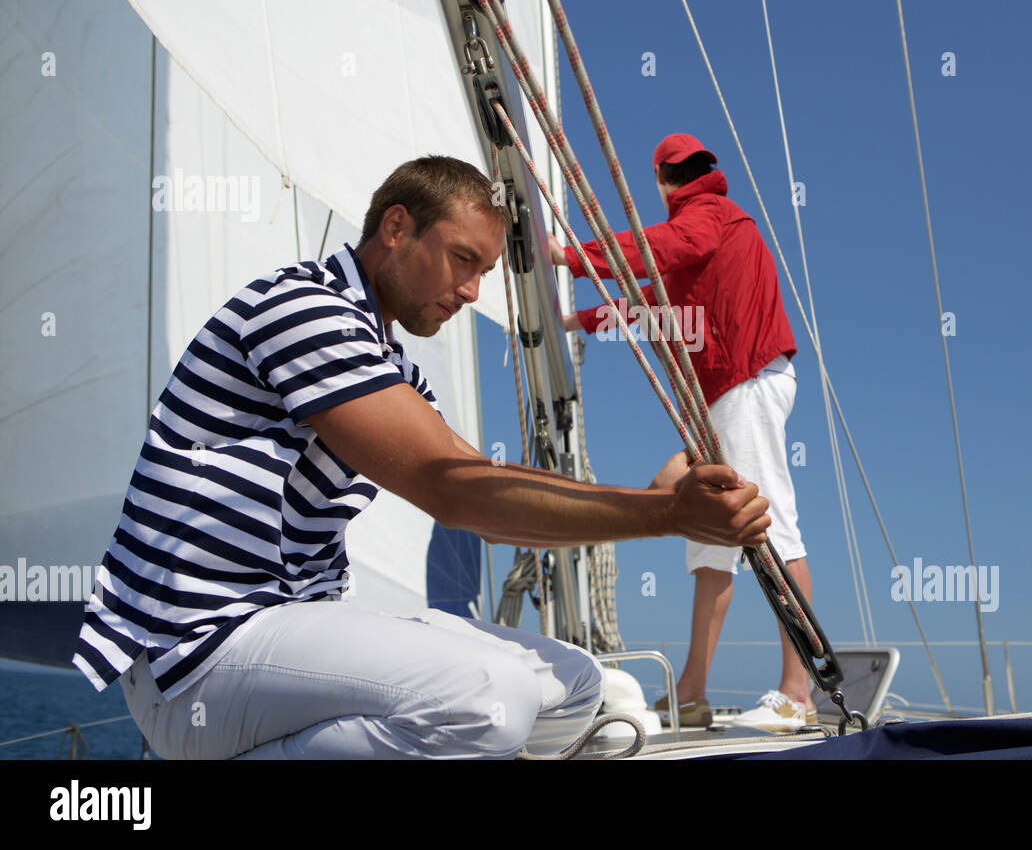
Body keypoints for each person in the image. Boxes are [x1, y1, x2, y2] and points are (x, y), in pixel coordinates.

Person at [72, 155, 770, 759]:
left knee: (578, 683)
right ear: (396, 227)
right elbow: (456, 491)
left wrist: (662, 507)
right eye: (463, 259)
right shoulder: (304, 309)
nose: (471, 291)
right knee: (482, 698)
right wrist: (667, 513)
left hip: (286, 631)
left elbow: (488, 505)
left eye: (484, 271)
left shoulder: (390, 362)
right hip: (196, 656)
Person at [550, 133, 815, 732]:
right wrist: (576, 319)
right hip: (723, 395)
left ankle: (799, 693)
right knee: (710, 542)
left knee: (770, 526)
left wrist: (567, 255)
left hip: (746, 382)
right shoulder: (702, 235)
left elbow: (657, 251)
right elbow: (649, 300)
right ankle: (691, 692)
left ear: (664, 181)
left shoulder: (707, 218)